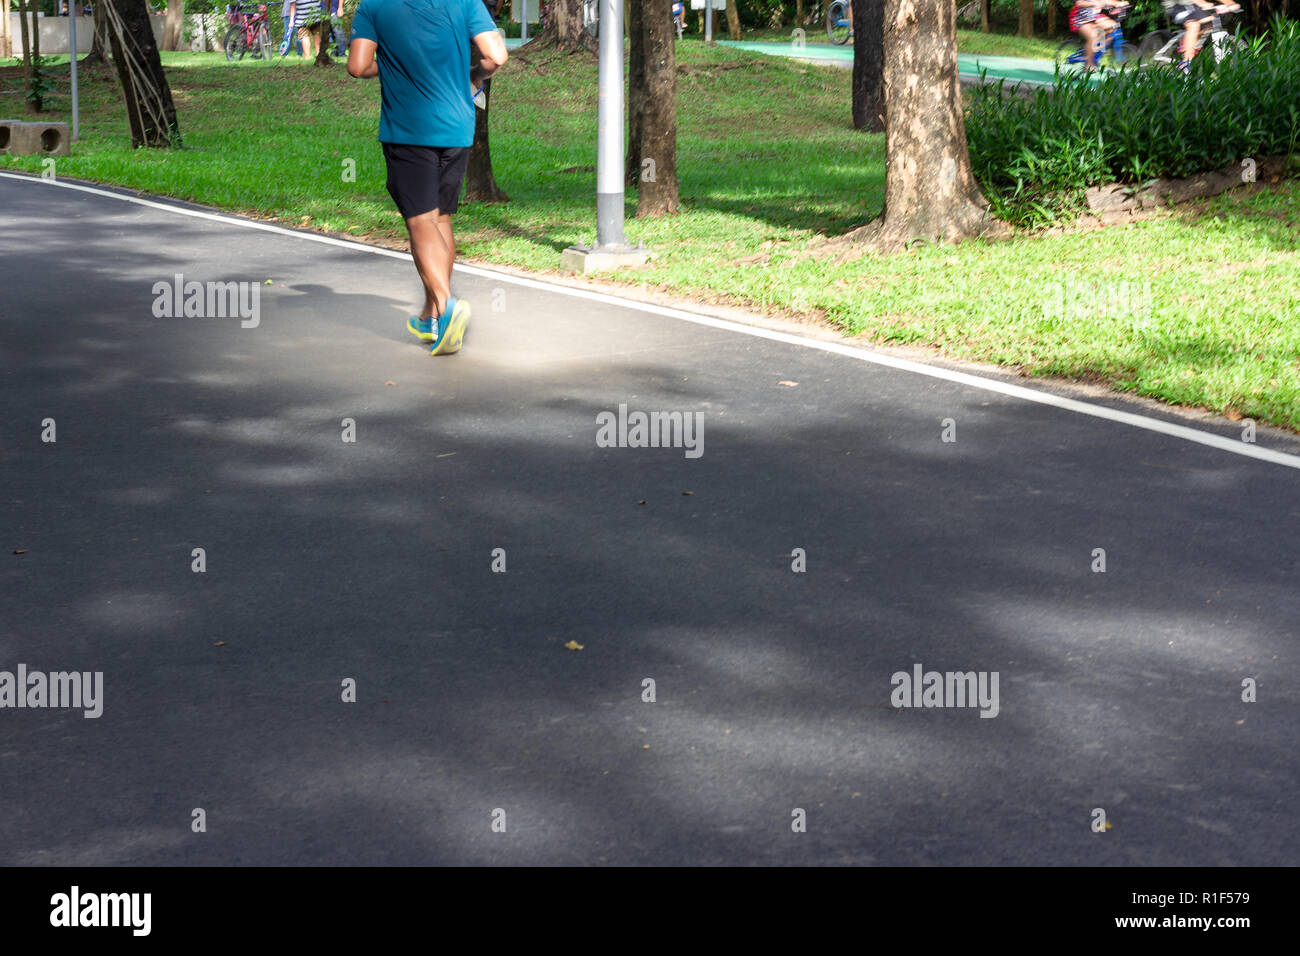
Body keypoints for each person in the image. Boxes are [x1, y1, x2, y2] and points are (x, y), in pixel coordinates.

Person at [347, 0, 508, 356]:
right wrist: (473, 75)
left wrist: (386, 66)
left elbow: (358, 66)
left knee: (420, 222)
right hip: (457, 127)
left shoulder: (373, 7)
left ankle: (448, 304)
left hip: (409, 130)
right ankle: (431, 314)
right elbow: (496, 56)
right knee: (440, 219)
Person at [1166, 0, 1241, 72]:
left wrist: (1230, 3)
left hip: (1191, 4)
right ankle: (1186, 62)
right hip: (1175, 5)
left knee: (1211, 19)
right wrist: (1202, 3)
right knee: (1193, 25)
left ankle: (1190, 42)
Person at [1068, 0, 1127, 71]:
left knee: (1113, 26)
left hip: (1094, 17)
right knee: (1093, 36)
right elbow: (1079, 3)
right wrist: (1093, 3)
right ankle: (1089, 65)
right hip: (1080, 18)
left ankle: (1101, 49)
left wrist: (1119, 3)